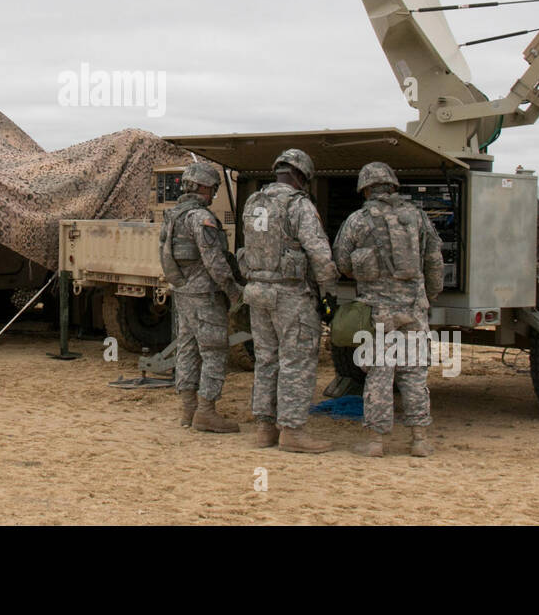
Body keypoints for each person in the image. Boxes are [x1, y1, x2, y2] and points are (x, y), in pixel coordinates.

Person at [333, 161, 444, 458]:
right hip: (413, 309)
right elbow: (434, 262)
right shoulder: (418, 217)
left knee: (379, 375)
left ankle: (375, 442)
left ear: (366, 188)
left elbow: (341, 261)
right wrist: (426, 297)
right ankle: (419, 439)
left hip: (377, 312)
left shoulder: (358, 220)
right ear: (393, 186)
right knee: (414, 374)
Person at [239, 149, 338, 453]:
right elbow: (319, 254)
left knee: (267, 361)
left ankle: (264, 429)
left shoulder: (253, 202)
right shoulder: (299, 205)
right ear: (301, 176)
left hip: (258, 294)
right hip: (291, 297)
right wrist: (329, 293)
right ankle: (292, 432)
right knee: (296, 361)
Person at [159, 161, 245, 432]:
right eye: (213, 190)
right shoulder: (200, 218)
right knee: (214, 351)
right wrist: (233, 292)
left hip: (183, 292)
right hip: (204, 295)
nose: (213, 195)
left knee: (187, 349)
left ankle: (188, 411)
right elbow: (215, 262)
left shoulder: (173, 216)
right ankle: (207, 412)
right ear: (204, 188)